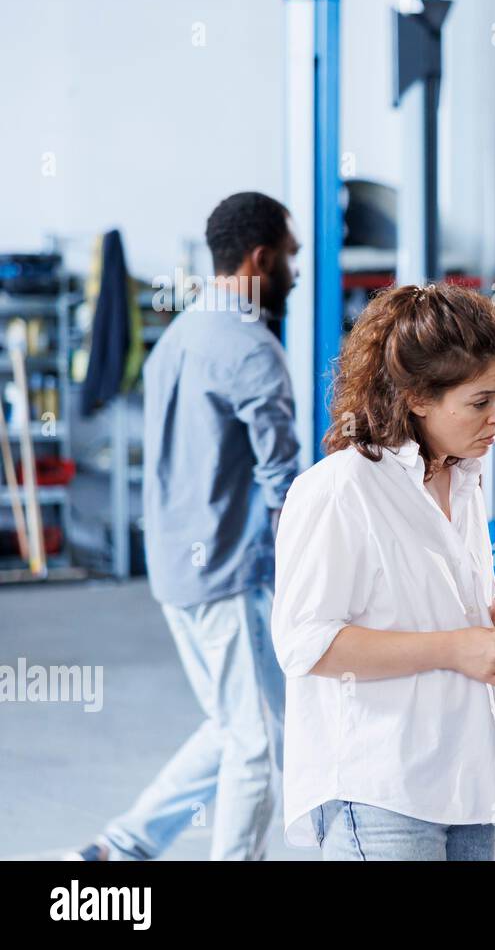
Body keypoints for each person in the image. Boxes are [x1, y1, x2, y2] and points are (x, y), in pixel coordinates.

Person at [71, 192, 301, 860]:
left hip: (175, 568)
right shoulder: (253, 349)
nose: (294, 270)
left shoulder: (182, 334)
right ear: (260, 259)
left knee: (234, 724)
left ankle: (123, 844)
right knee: (257, 743)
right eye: (289, 256)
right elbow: (283, 486)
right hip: (230, 574)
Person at [270, 283, 495, 861]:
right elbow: (305, 645)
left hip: (468, 779)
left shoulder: (463, 479)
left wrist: (493, 618)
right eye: (481, 401)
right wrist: (456, 647)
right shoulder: (341, 488)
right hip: (382, 790)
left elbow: (416, 609)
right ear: (416, 397)